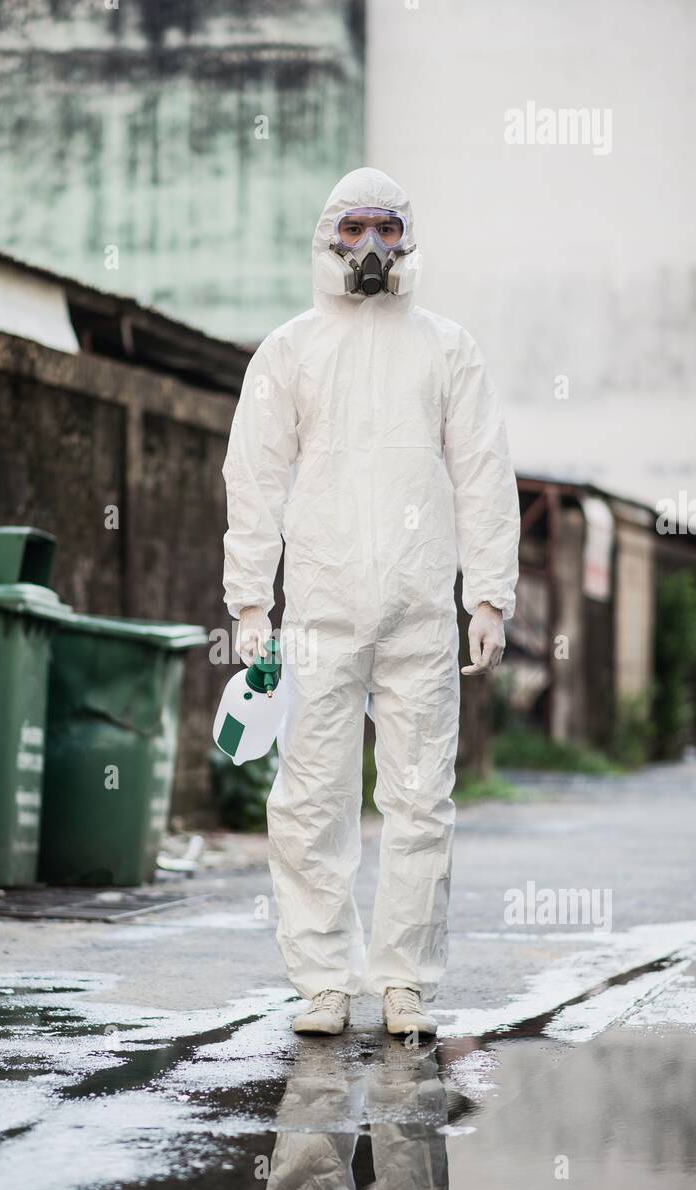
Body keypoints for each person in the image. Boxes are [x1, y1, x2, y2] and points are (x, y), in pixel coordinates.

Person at [222, 167, 520, 1039]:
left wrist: (488, 595)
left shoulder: (446, 348)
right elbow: (254, 477)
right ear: (328, 239)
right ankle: (321, 980)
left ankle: (403, 983)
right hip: (317, 610)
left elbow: (481, 475)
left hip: (421, 611)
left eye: (386, 228)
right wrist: (249, 603)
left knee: (420, 799)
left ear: (407, 239)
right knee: (310, 800)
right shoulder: (289, 350)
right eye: (354, 229)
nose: (371, 248)